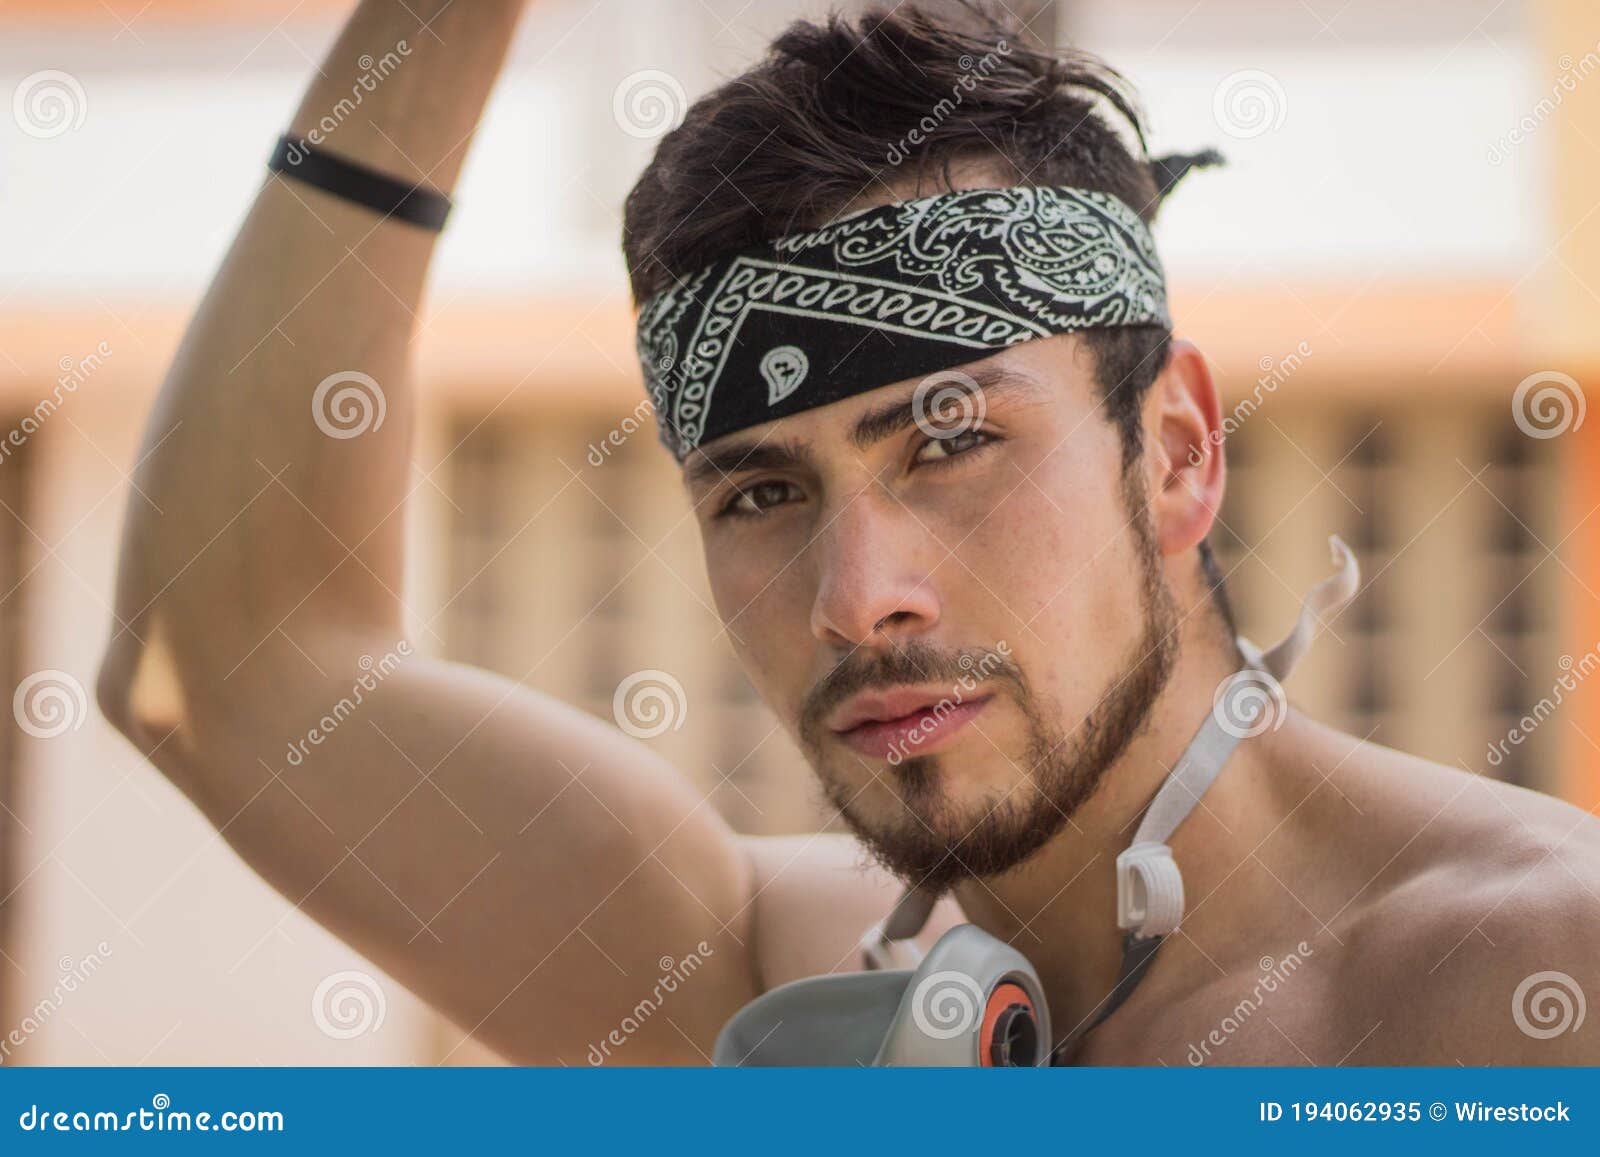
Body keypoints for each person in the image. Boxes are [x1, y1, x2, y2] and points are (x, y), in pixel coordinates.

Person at [97, 0, 1599, 1066]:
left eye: (953, 444)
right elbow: (222, 668)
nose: (856, 597)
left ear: (1179, 453)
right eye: (762, 492)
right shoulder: (775, 983)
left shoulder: (1540, 985)